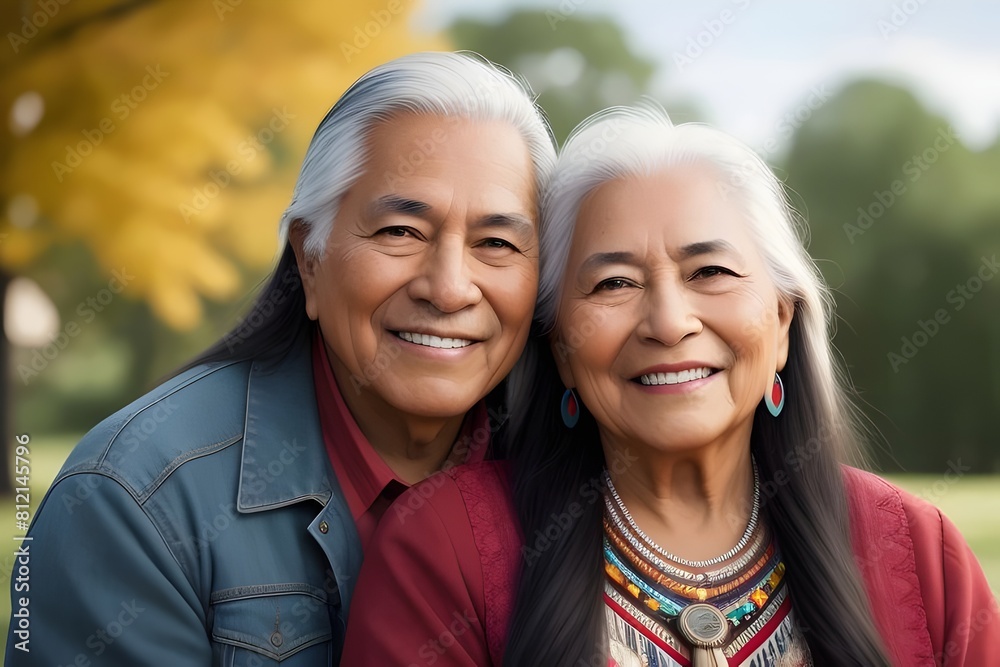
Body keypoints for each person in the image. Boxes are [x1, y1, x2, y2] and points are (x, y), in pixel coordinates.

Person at [341, 104, 1000, 666]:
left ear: (780, 319)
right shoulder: (445, 547)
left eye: (710, 270)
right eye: (614, 283)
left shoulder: (920, 553)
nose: (667, 322)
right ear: (561, 350)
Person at [6, 52, 555, 665]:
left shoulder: (575, 472)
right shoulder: (132, 502)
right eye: (400, 232)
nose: (450, 287)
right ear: (310, 258)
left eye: (497, 243)